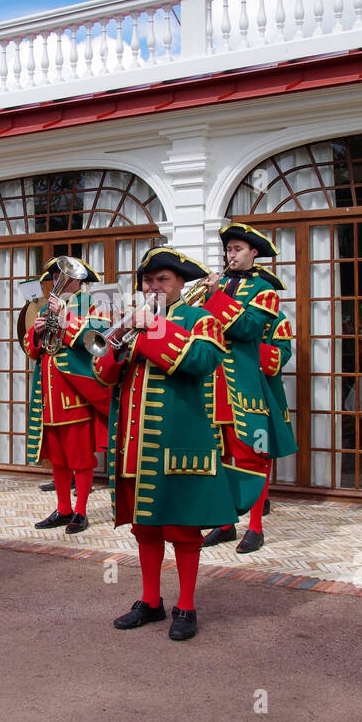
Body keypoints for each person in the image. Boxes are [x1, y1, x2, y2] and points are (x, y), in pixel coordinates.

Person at [93, 248, 232, 641]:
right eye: (148, 281)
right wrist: (118, 339)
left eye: (163, 280)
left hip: (180, 441)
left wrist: (152, 328)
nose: (154, 287)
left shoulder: (202, 318)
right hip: (135, 445)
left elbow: (201, 361)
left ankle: (186, 604)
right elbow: (103, 374)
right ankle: (150, 601)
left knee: (184, 528)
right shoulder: (132, 322)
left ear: (180, 283)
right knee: (146, 527)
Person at [198, 223, 297, 553]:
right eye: (229, 249)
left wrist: (216, 297)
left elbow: (247, 327)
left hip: (244, 388)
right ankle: (225, 523)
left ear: (254, 253)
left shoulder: (264, 291)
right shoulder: (220, 285)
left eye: (238, 249)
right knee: (218, 456)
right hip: (212, 387)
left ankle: (255, 527)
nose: (232, 254)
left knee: (252, 456)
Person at [26, 256, 110, 534]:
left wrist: (65, 319)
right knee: (58, 458)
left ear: (78, 280)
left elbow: (98, 338)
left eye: (64, 277)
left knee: (81, 458)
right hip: (47, 392)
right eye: (55, 278)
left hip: (76, 392)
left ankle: (81, 512)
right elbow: (32, 349)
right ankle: (63, 509)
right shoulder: (48, 305)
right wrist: (38, 333)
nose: (58, 282)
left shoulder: (95, 301)